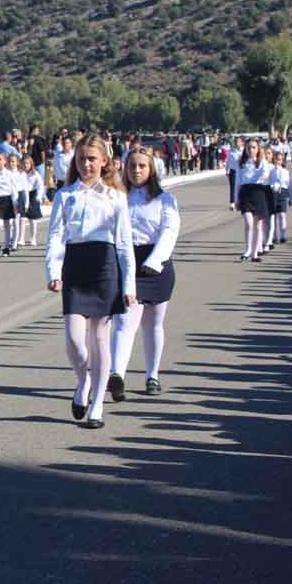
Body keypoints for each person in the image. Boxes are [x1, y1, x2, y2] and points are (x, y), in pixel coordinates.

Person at [45, 135, 136, 430]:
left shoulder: (115, 196)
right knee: (74, 338)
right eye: (82, 159)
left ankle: (97, 403)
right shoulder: (65, 195)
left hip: (105, 265)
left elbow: (124, 244)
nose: (86, 164)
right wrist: (53, 272)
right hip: (75, 265)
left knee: (99, 337)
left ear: (104, 161)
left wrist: (129, 285)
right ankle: (82, 379)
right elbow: (56, 237)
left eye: (92, 159)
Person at [109, 148, 179, 402]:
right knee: (125, 321)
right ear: (125, 169)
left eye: (142, 166)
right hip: (127, 262)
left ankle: (152, 375)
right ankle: (116, 375)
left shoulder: (165, 199)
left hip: (157, 265)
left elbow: (170, 231)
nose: (137, 170)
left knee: (152, 324)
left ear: (151, 170)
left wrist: (155, 261)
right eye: (132, 166)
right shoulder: (117, 197)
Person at [234, 138, 271, 262]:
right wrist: (236, 199)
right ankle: (248, 250)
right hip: (245, 193)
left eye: (254, 147)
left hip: (258, 193)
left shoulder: (262, 161)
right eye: (249, 147)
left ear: (258, 149)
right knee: (249, 224)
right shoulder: (241, 162)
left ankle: (255, 254)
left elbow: (266, 173)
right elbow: (237, 182)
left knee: (258, 226)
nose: (251, 150)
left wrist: (262, 177)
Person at [0, 152, 18, 258]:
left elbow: (14, 189)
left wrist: (15, 203)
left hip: (7, 199)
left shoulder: (9, 174)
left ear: (5, 161)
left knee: (7, 225)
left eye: (0, 159)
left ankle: (6, 247)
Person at [20, 154, 45, 246]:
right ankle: (21, 238)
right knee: (22, 218)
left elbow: (40, 186)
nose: (26, 165)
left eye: (28, 163)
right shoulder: (20, 174)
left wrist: (38, 196)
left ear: (31, 164)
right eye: (24, 163)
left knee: (32, 219)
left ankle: (33, 238)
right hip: (23, 195)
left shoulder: (35, 174)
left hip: (33, 195)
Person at [271, 154, 292, 243]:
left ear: (282, 161)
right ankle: (275, 236)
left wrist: (291, 196)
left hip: (283, 193)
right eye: (276, 159)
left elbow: (289, 185)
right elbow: (268, 181)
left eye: (280, 160)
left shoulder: (285, 172)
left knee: (282, 215)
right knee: (274, 216)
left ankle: (283, 236)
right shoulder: (271, 171)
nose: (278, 161)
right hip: (273, 193)